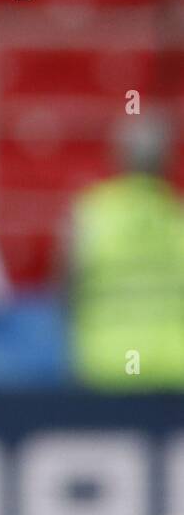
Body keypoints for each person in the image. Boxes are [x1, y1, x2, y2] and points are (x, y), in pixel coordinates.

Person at [64, 115, 184, 391]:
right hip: (173, 368)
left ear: (118, 157)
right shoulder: (178, 218)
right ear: (167, 161)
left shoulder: (90, 215)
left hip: (105, 365)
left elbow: (64, 290)